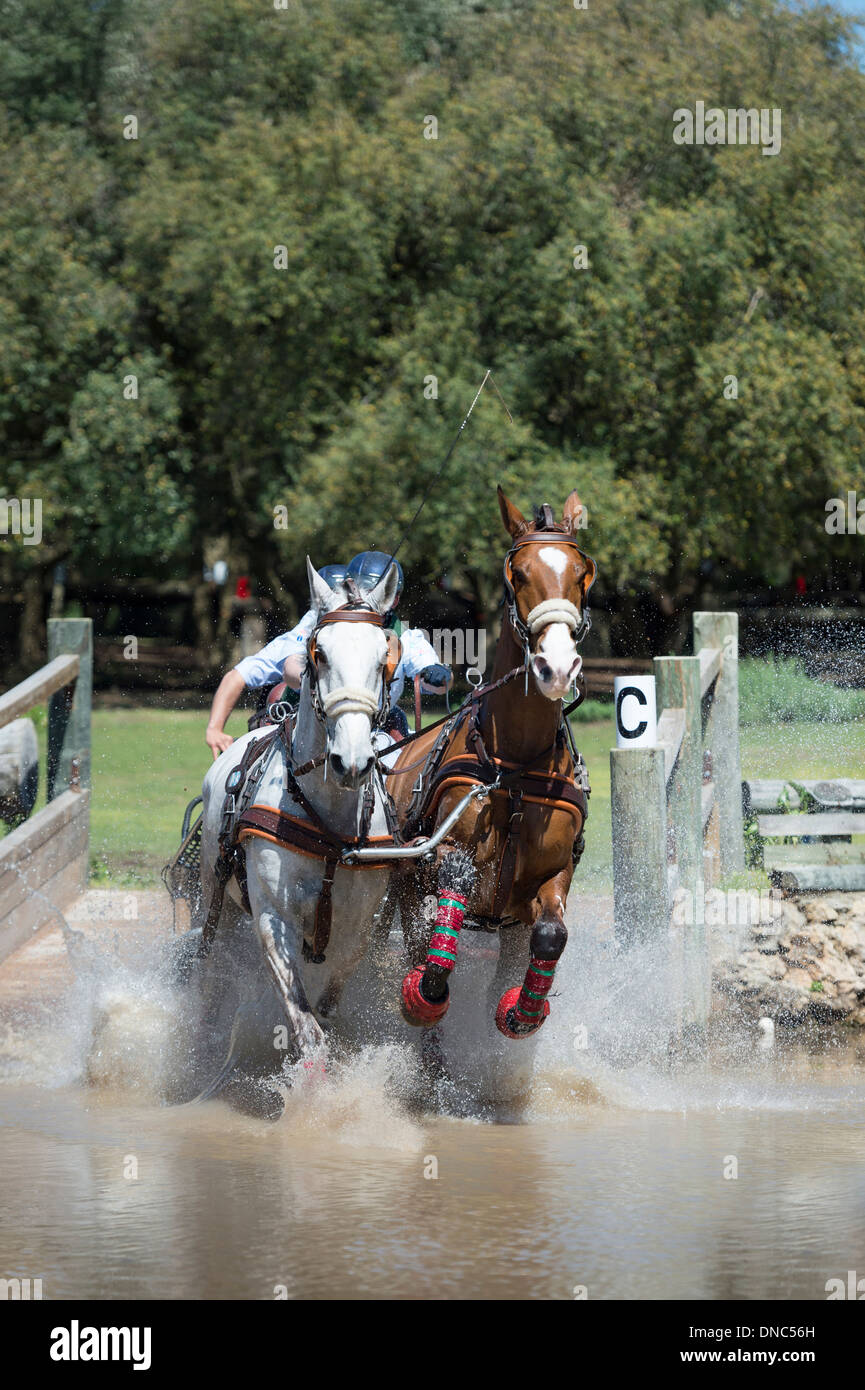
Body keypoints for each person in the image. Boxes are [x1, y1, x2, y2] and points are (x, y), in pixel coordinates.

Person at [205, 557, 451, 757]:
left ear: (393, 598)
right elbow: (283, 669)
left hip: (375, 727)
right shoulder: (313, 625)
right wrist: (215, 729)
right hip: (306, 724)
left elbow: (433, 678)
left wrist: (438, 676)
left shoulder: (407, 638)